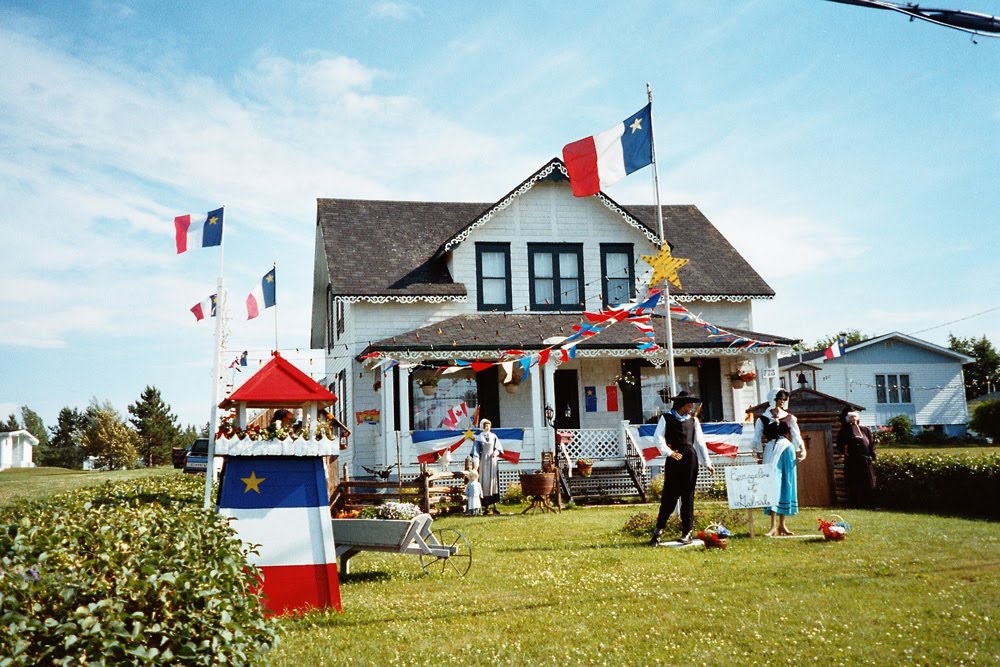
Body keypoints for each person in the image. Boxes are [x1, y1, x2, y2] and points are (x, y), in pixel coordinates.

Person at [649, 392, 714, 546]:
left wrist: (707, 462)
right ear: (682, 405)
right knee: (669, 495)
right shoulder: (666, 418)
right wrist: (669, 452)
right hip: (674, 457)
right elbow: (658, 437)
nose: (692, 406)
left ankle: (687, 532)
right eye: (689, 403)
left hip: (690, 459)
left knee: (687, 495)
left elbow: (700, 442)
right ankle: (658, 532)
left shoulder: (693, 421)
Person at [753, 387, 807, 537]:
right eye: (779, 399)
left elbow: (796, 434)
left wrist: (802, 448)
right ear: (773, 399)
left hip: (786, 450)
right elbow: (757, 437)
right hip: (771, 450)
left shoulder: (789, 417)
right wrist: (756, 451)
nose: (782, 402)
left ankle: (782, 525)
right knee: (773, 483)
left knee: (786, 483)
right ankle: (772, 526)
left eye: (784, 399)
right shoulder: (763, 418)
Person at [837, 410, 877, 508]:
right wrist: (846, 452)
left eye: (854, 418)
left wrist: (872, 454)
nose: (853, 420)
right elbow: (840, 445)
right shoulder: (844, 431)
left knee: (868, 482)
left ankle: (870, 504)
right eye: (851, 418)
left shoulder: (865, 430)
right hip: (852, 461)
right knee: (854, 483)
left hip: (865, 461)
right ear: (848, 419)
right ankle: (855, 504)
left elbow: (871, 443)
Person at [473, 419, 504, 515]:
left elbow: (499, 448)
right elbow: (476, 452)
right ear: (482, 427)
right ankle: (486, 506)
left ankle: (495, 506)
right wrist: (476, 465)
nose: (488, 428)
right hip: (484, 461)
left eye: (489, 426)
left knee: (493, 482)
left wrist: (496, 452)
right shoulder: (478, 438)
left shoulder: (493, 436)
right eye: (486, 426)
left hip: (492, 461)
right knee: (485, 482)